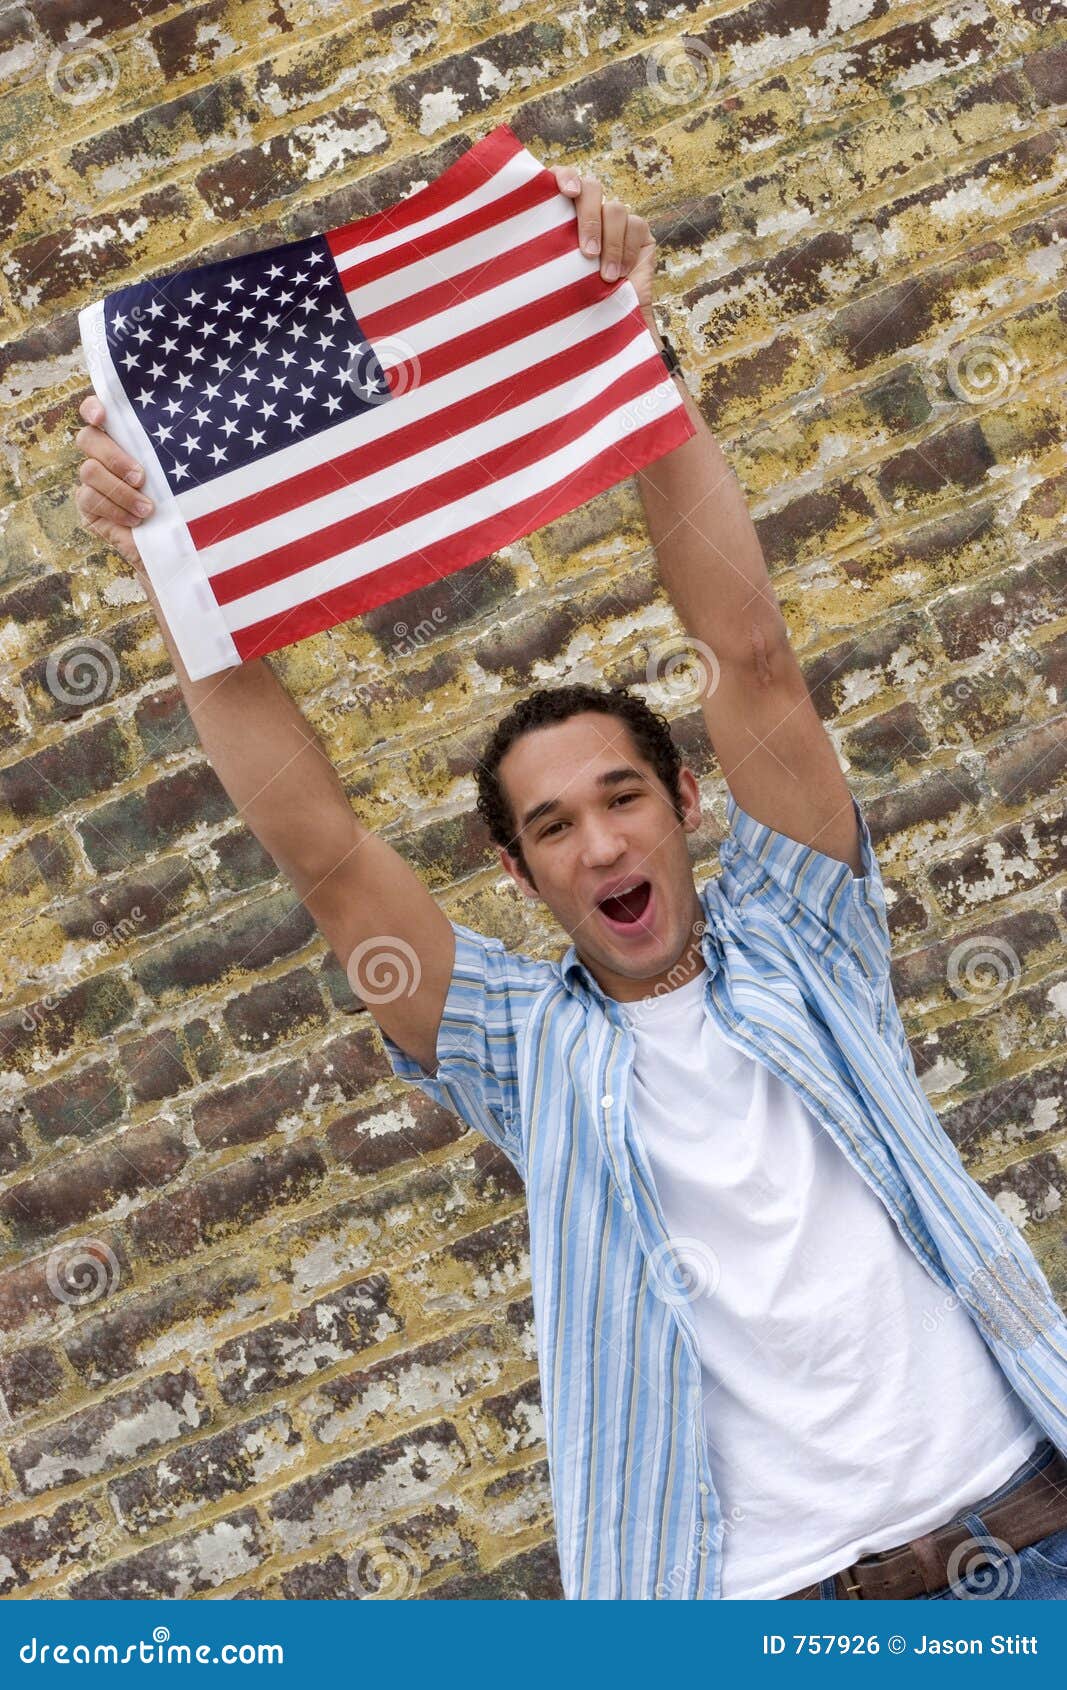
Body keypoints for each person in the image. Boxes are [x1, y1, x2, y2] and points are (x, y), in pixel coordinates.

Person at [73, 164, 1067, 1602]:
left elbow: (753, 659)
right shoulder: (518, 1048)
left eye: (622, 798)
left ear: (685, 802)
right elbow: (327, 855)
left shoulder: (807, 937)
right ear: (519, 871)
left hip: (1031, 1536)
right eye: (553, 827)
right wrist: (170, 565)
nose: (601, 845)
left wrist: (628, 352)